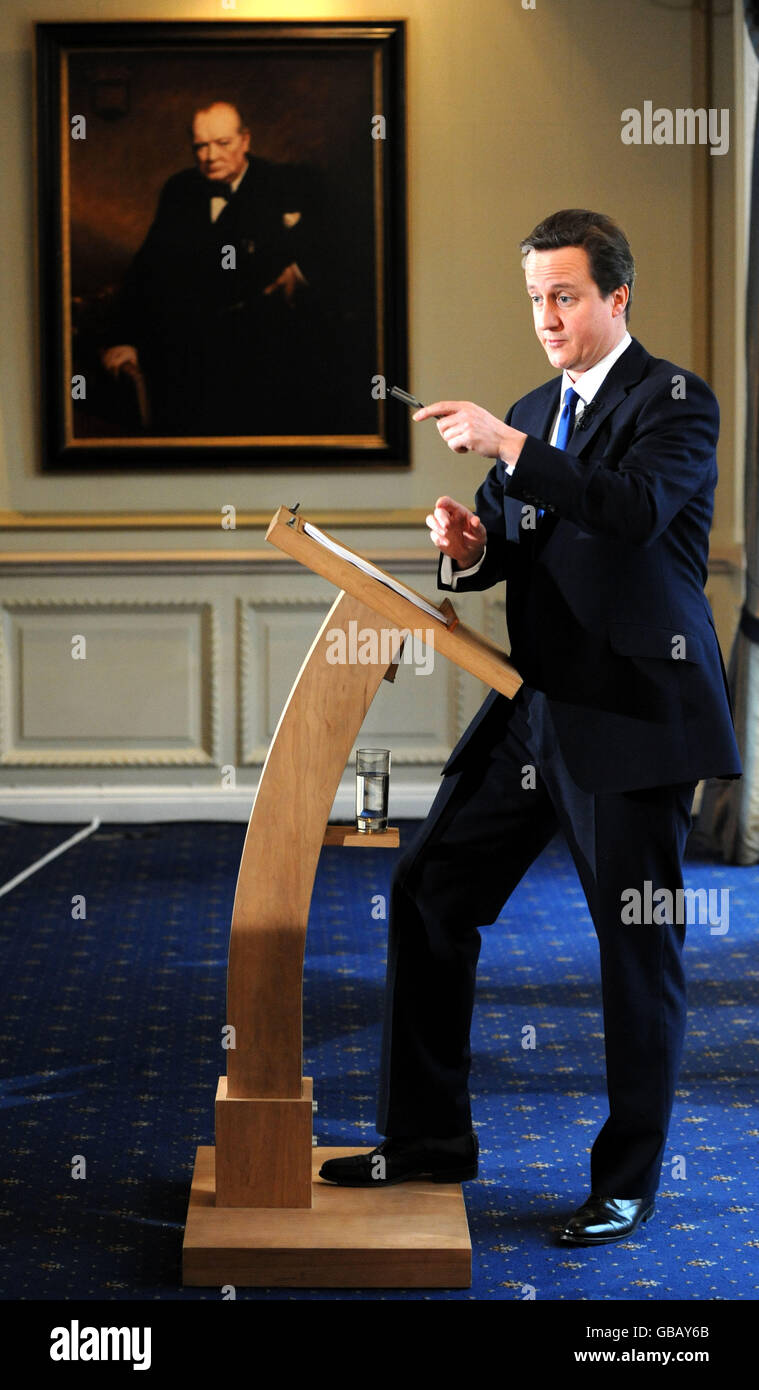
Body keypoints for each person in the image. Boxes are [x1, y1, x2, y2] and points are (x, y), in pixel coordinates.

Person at [319, 209, 742, 1246]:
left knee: (637, 945)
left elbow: (629, 510)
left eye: (565, 295)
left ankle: (629, 1179)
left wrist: (511, 448)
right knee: (427, 891)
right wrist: (465, 546)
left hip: (634, 711)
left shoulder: (676, 401)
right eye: (535, 298)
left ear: (616, 299)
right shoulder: (530, 407)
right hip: (534, 705)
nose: (547, 316)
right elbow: (508, 543)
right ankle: (427, 1139)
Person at [102, 101, 320, 435]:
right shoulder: (180, 190)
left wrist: (298, 273)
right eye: (201, 146)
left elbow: (335, 248)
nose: (210, 155)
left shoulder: (282, 184)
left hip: (265, 349)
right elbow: (146, 268)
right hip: (188, 349)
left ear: (245, 140)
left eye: (222, 143)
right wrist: (124, 339)